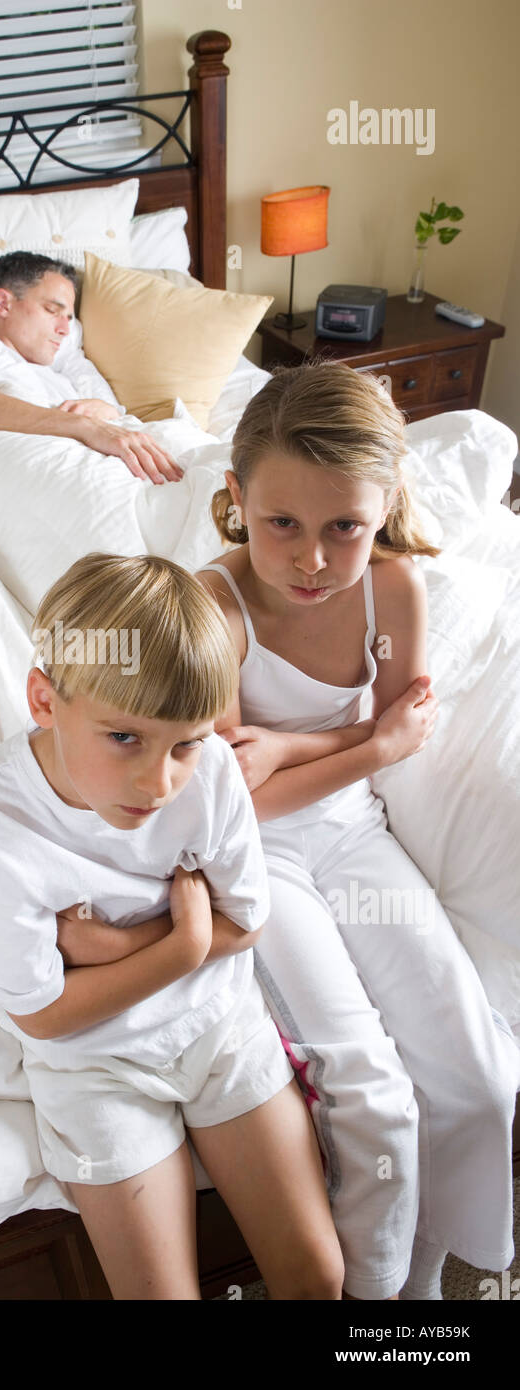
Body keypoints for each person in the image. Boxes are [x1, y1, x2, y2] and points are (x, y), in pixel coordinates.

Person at [193, 361, 520, 1301]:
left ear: (383, 510)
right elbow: (237, 803)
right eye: (279, 524)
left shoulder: (393, 591)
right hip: (258, 857)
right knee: (370, 1090)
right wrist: (368, 746)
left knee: (481, 1076)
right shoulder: (213, 608)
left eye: (344, 528)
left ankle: (419, 1285)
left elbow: (388, 727)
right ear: (235, 500)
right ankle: (367, 1303)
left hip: (352, 838)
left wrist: (319, 747)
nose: (309, 560)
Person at [0, 552, 345, 1300]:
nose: (159, 784)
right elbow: (45, 1014)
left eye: (184, 744)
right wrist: (184, 943)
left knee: (319, 1278)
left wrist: (118, 948)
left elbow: (246, 923)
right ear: (44, 700)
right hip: (97, 1068)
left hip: (218, 1026)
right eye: (124, 738)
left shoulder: (214, 770)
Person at [0, 251, 182, 486]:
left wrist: (104, 411)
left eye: (69, 319)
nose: (64, 330)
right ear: (4, 303)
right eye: (52, 310)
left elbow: (119, 418)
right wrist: (84, 426)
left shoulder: (66, 369)